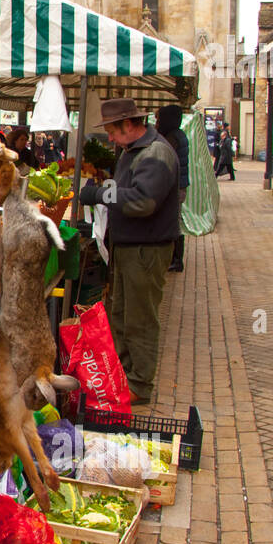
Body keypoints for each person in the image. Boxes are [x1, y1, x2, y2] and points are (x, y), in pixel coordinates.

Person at [76, 98, 180, 406]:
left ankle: (139, 383)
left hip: (145, 249)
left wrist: (100, 193)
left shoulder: (155, 153)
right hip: (129, 246)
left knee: (140, 318)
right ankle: (121, 373)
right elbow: (125, 188)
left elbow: (143, 201)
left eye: (112, 131)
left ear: (129, 125)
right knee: (121, 313)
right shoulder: (131, 151)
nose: (109, 138)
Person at [156, 105, 190, 273]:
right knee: (175, 220)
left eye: (159, 118)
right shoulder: (179, 134)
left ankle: (176, 260)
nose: (156, 122)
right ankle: (176, 259)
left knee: (173, 221)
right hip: (180, 185)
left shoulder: (172, 137)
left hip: (175, 187)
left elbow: (163, 158)